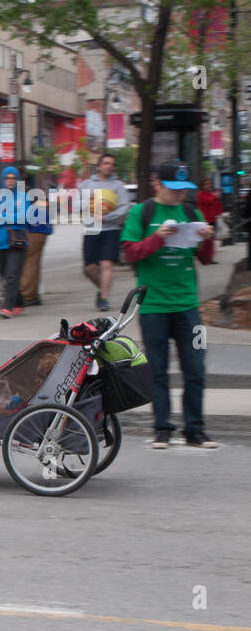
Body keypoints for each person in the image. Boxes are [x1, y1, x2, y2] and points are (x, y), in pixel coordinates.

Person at [120, 159, 218, 450]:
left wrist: (208, 240)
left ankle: (195, 431)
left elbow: (204, 258)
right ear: (157, 184)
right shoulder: (142, 212)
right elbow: (130, 254)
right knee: (158, 372)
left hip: (189, 307)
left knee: (196, 370)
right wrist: (157, 238)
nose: (179, 195)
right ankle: (162, 429)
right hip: (153, 308)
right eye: (173, 188)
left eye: (183, 189)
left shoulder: (191, 212)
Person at [78, 153, 132, 311]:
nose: (109, 166)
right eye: (106, 163)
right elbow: (76, 203)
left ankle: (104, 298)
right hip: (91, 229)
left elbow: (124, 208)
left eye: (112, 164)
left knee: (107, 264)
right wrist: (91, 205)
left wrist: (108, 216)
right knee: (89, 269)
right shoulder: (86, 184)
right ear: (99, 166)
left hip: (111, 230)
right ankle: (101, 288)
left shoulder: (118, 186)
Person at [0, 165, 29, 318]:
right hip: (0, 242)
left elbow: (23, 217)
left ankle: (7, 307)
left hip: (17, 242)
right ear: (3, 180)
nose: (10, 181)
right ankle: (19, 301)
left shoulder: (23, 197)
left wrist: (3, 216)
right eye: (7, 178)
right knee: (5, 274)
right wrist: (11, 217)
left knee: (12, 275)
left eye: (13, 178)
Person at [19, 175, 53, 307]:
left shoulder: (27, 194)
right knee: (33, 263)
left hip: (35, 230)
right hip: (39, 229)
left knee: (30, 263)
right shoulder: (31, 192)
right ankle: (32, 294)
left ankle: (28, 295)